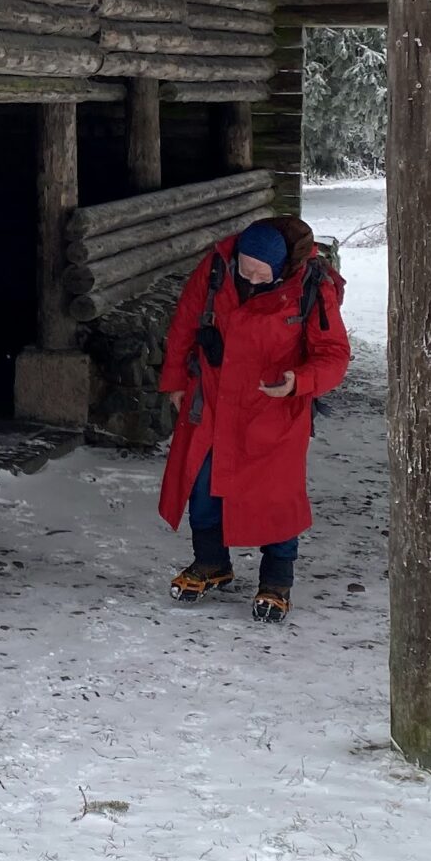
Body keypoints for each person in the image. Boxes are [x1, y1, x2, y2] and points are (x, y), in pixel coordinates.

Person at [155, 216, 349, 623]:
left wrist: (301, 381)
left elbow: (333, 354)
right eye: (246, 271)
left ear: (280, 270)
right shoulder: (215, 269)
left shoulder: (312, 288)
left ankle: (276, 581)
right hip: (211, 403)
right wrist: (175, 380)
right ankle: (211, 563)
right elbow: (184, 325)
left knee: (275, 501)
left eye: (262, 277)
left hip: (273, 410)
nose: (251, 282)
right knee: (203, 488)